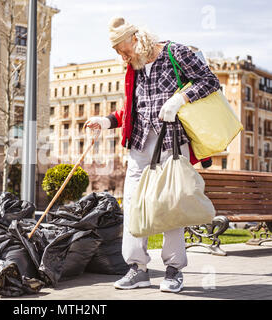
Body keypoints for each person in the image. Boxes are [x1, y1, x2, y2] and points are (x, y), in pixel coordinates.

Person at [85, 17, 220, 293]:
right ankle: (137, 269)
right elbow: (132, 109)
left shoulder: (176, 53)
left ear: (136, 39)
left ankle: (173, 270)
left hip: (171, 143)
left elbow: (210, 81)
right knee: (134, 207)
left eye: (123, 50)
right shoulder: (133, 67)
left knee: (170, 205)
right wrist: (107, 120)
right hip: (140, 146)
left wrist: (180, 99)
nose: (122, 56)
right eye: (118, 53)